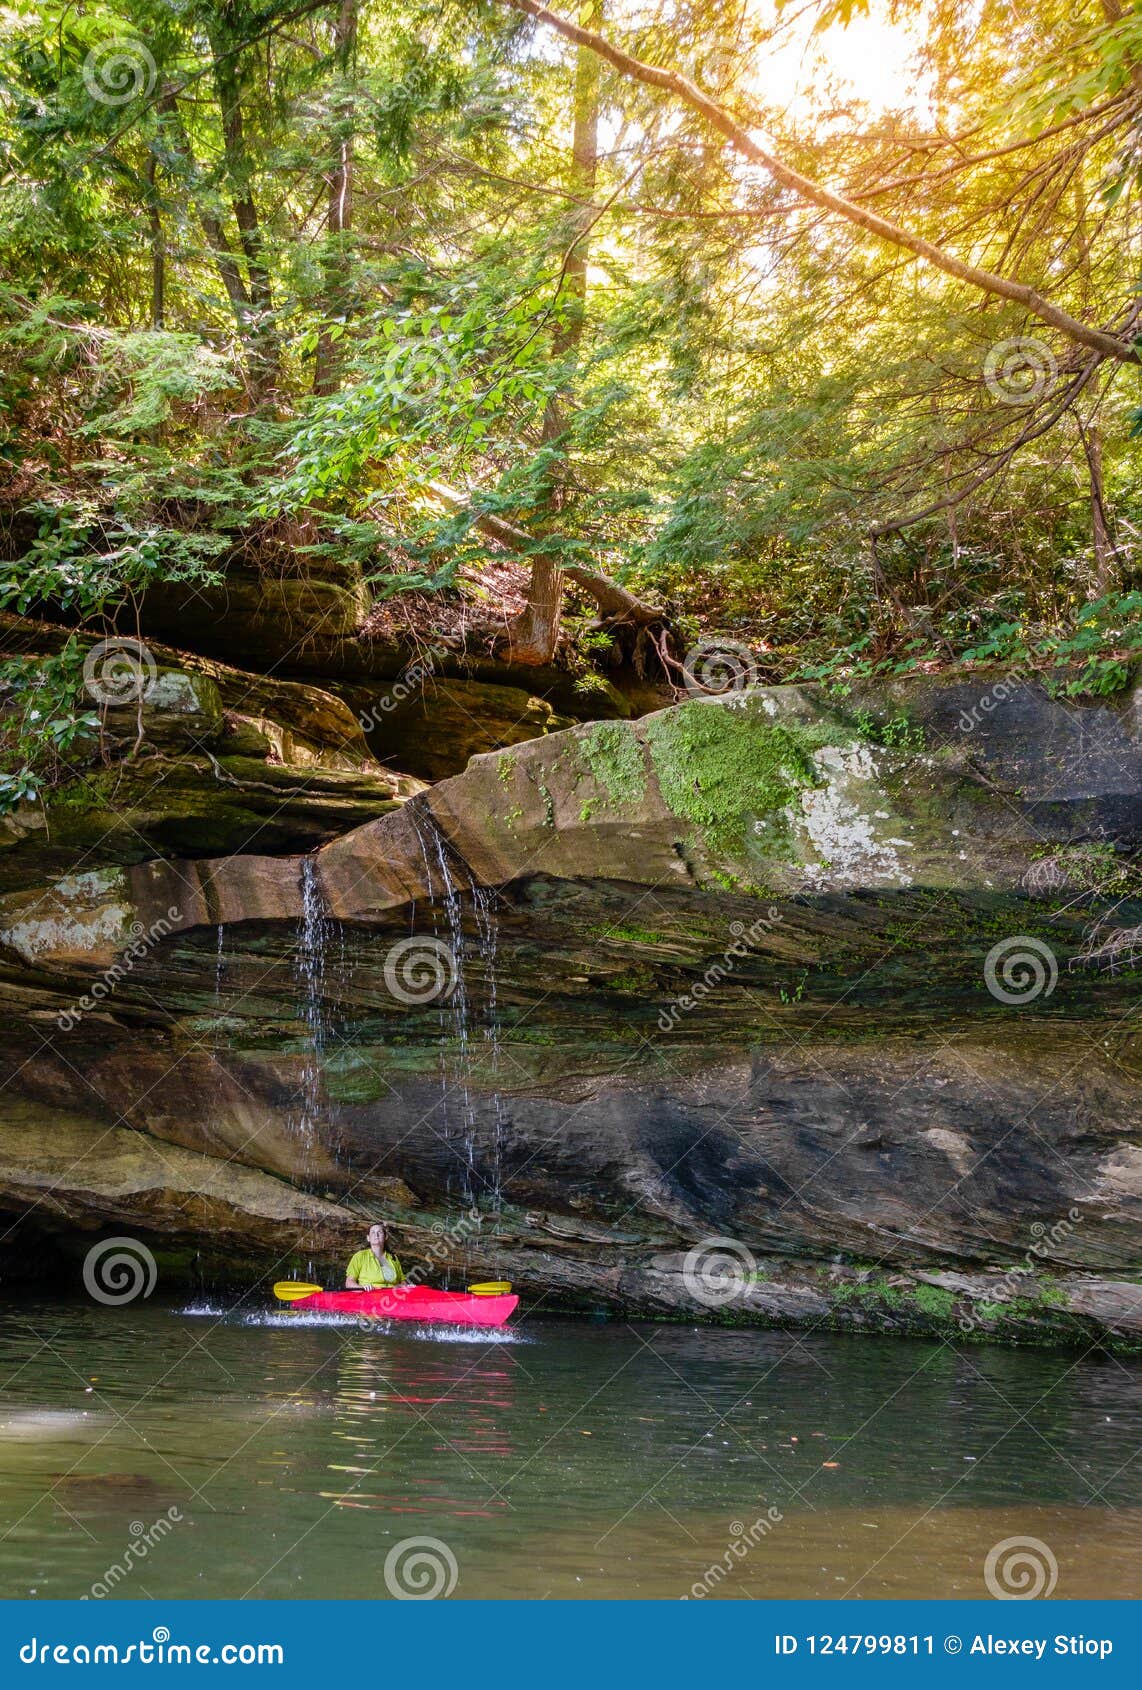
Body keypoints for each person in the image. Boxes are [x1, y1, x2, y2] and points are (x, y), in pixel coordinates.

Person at [345, 1222, 405, 1290]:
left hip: (391, 1297)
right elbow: (349, 1283)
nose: (376, 1235)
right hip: (368, 1297)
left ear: (386, 1237)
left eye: (379, 1232)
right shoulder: (360, 1256)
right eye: (373, 1232)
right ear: (368, 1238)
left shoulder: (394, 1258)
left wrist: (404, 1286)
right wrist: (362, 1288)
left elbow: (403, 1282)